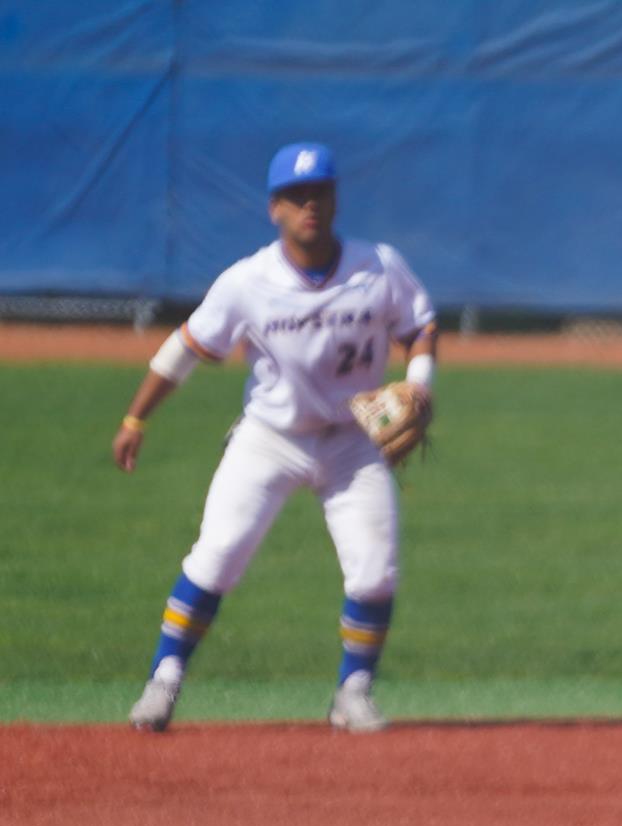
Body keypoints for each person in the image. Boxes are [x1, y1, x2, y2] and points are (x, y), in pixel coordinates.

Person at [113, 141, 438, 734]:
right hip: (270, 438)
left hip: (352, 442)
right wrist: (137, 417)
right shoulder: (248, 281)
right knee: (216, 559)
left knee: (375, 572)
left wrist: (419, 383)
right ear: (275, 209)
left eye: (319, 192)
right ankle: (163, 681)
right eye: (296, 195)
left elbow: (421, 325)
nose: (309, 204)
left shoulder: (379, 267)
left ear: (336, 199)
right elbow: (185, 350)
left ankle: (354, 690)